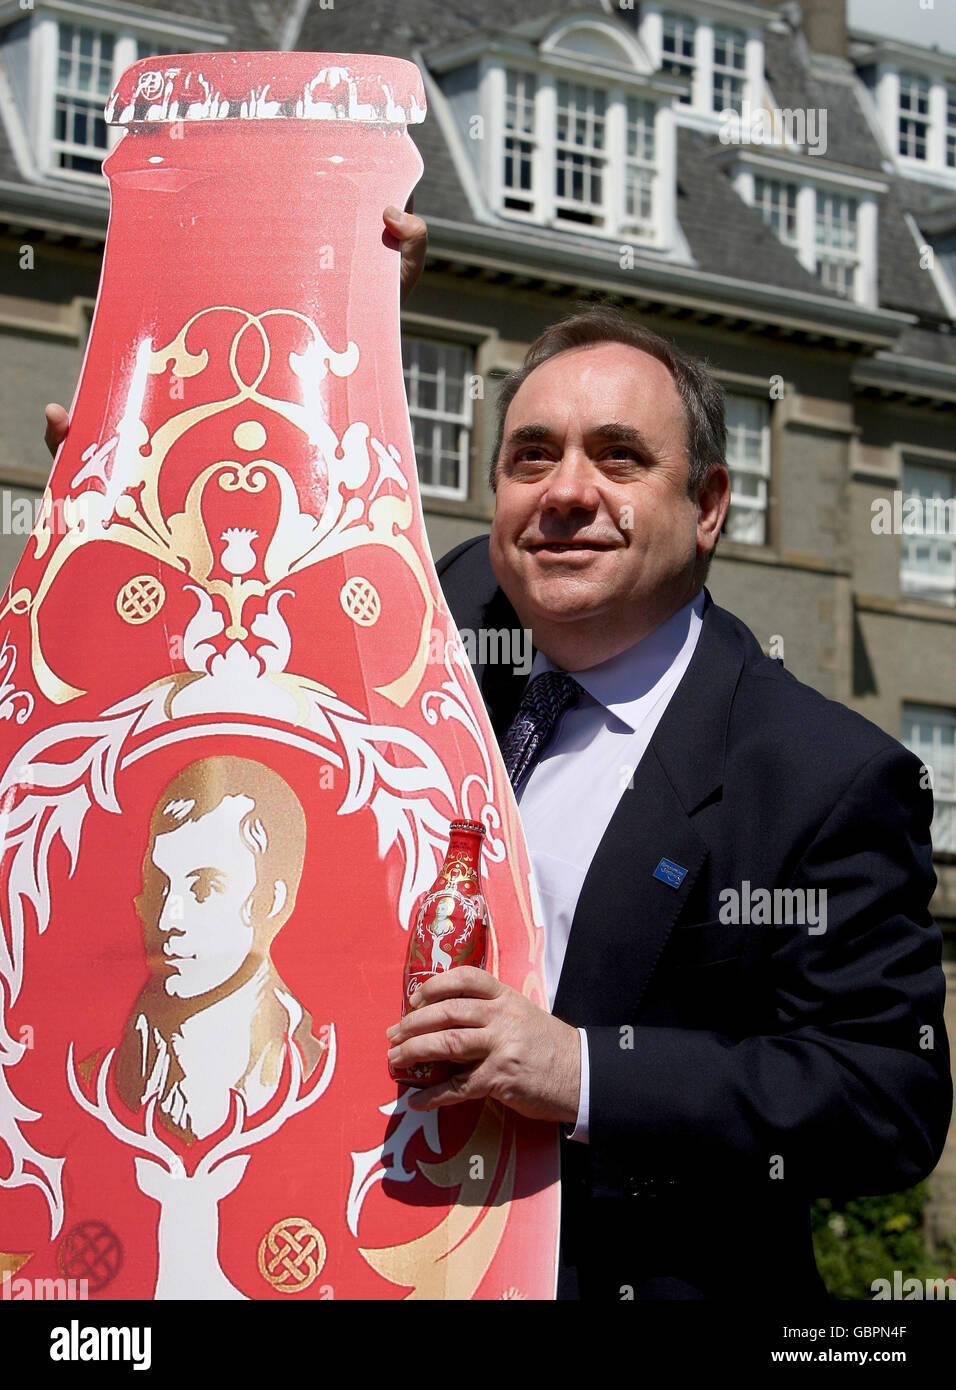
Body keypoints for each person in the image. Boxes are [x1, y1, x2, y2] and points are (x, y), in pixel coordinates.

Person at [48, 208, 951, 1299]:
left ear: (707, 504)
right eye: (533, 456)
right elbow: (260, 594)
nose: (567, 492)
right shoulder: (437, 619)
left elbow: (884, 1099)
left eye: (620, 457)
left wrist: (580, 1071)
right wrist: (124, 510)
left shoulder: (818, 777)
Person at [115, 755, 323, 1142]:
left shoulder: (318, 1063)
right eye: (162, 885)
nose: (166, 920)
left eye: (204, 887)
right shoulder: (108, 1071)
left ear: (271, 901)